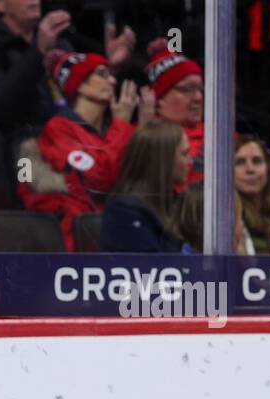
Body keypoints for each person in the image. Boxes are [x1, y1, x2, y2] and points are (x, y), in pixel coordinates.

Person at [17, 50, 137, 250]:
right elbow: (99, 178)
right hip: (81, 246)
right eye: (102, 74)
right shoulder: (60, 129)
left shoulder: (113, 131)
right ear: (79, 84)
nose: (113, 81)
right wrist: (122, 123)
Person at [0, 0, 136, 137]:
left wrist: (111, 68)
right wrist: (37, 52)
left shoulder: (61, 44)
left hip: (71, 141)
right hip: (20, 151)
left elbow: (84, 101)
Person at [100, 119, 191, 253]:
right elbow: (147, 271)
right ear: (163, 161)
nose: (190, 161)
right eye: (184, 154)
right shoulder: (124, 214)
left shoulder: (177, 203)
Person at [143, 38, 202, 184]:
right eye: (187, 89)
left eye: (201, 89)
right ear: (158, 99)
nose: (198, 97)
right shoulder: (136, 140)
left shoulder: (223, 137)